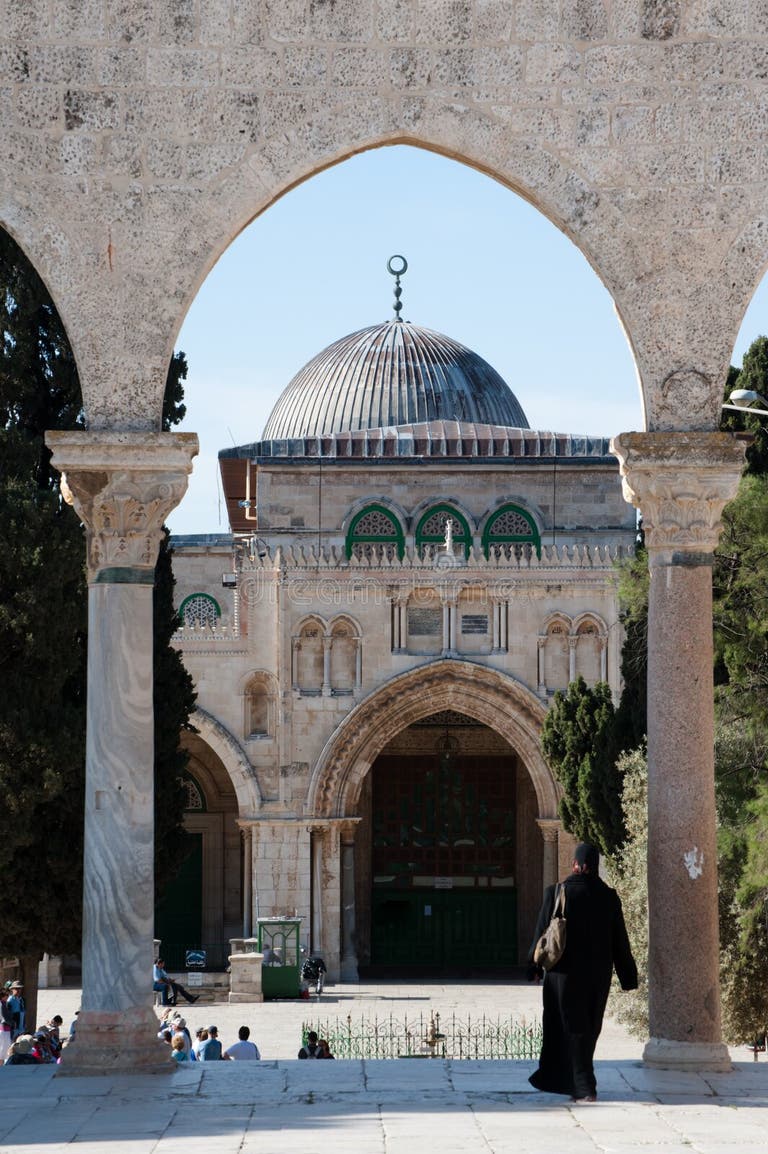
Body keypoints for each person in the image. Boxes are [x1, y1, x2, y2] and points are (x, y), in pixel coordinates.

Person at [528, 842, 638, 1103]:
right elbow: (619, 940)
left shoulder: (556, 892)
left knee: (564, 1028)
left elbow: (541, 934)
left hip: (561, 976)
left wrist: (531, 968)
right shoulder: (609, 897)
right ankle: (582, 1082)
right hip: (597, 976)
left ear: (574, 863)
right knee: (588, 1028)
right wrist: (627, 976)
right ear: (595, 865)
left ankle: (581, 1084)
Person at [0, 988, 13, 1065]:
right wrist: (12, 1022)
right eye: (6, 995)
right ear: (2, 996)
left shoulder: (3, 1003)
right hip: (4, 1030)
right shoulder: (2, 1004)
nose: (8, 996)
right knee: (3, 1052)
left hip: (4, 1030)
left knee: (3, 1051)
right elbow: (5, 1018)